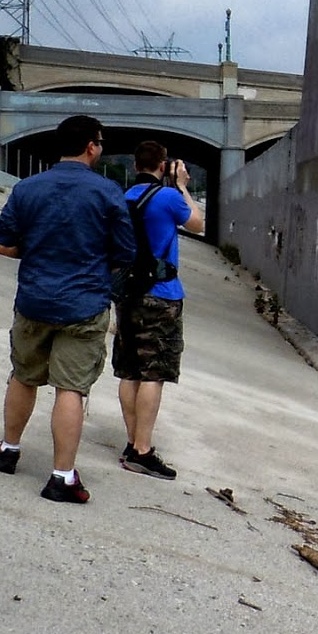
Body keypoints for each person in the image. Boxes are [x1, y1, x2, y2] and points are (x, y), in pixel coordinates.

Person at [0, 114, 134, 504]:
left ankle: (8, 450)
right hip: (84, 305)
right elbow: (124, 255)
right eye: (100, 142)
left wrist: (36, 254)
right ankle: (61, 477)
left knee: (23, 375)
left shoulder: (28, 188)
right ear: (91, 146)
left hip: (34, 299)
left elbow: (2, 244)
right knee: (70, 389)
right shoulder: (107, 193)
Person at [114, 140, 204, 480]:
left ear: (135, 164)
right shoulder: (167, 198)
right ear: (163, 164)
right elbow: (197, 223)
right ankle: (142, 450)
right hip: (161, 294)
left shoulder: (123, 198)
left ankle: (132, 441)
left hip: (127, 294)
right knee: (154, 372)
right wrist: (181, 186)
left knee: (129, 370)